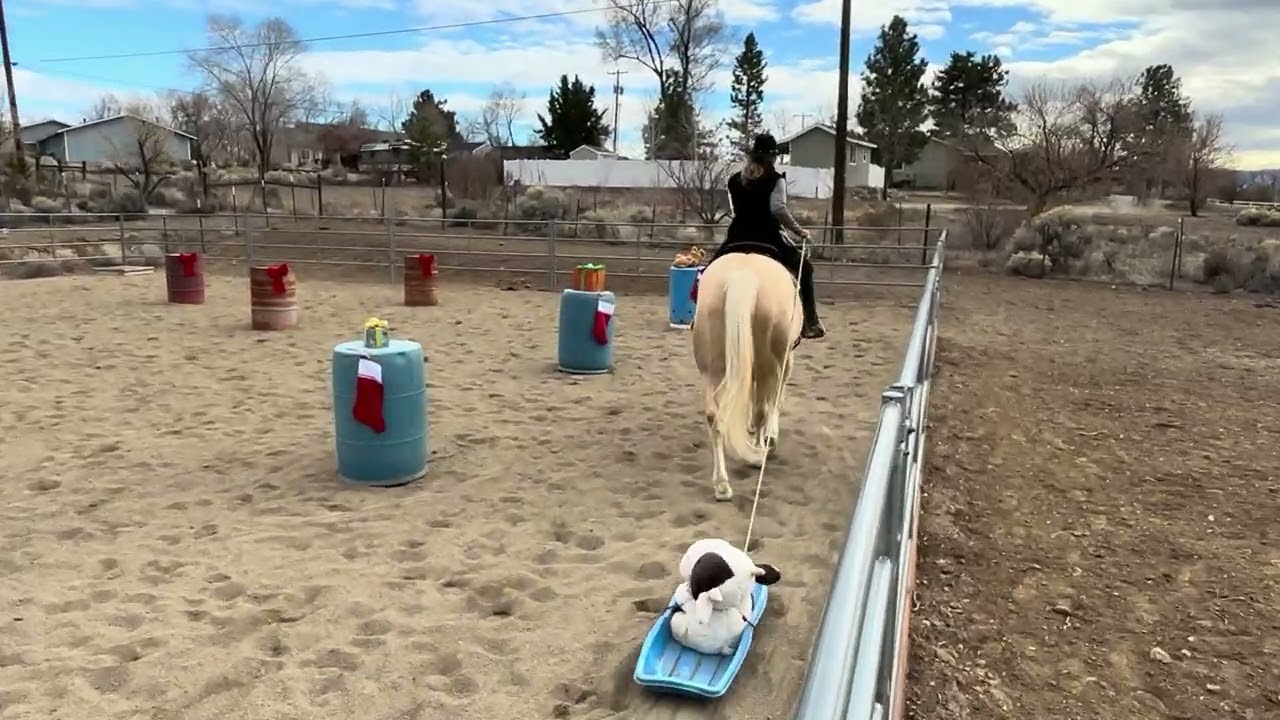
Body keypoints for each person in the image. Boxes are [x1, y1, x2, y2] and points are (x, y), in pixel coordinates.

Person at [704, 132, 825, 340]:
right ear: (773, 158)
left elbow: (734, 210)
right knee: (805, 269)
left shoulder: (734, 180)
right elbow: (777, 208)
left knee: (705, 274)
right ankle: (810, 322)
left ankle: (698, 318)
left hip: (737, 236)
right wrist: (798, 231)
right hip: (768, 237)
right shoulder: (776, 180)